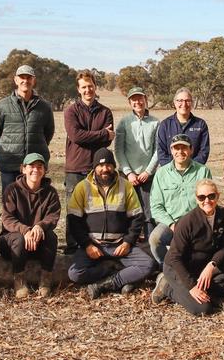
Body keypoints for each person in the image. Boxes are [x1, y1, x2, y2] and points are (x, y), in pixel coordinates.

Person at [66, 149, 156, 298]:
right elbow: (74, 221)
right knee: (75, 274)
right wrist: (87, 245)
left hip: (119, 245)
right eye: (100, 166)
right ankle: (110, 269)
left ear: (114, 166)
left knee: (148, 265)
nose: (105, 169)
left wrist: (127, 242)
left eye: (109, 165)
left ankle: (108, 283)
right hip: (94, 246)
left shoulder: (125, 186)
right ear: (94, 168)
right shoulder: (83, 187)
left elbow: (137, 217)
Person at [151, 179, 224, 316]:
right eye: (202, 197)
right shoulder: (187, 222)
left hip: (203, 265)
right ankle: (167, 287)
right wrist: (192, 287)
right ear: (196, 198)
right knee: (203, 309)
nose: (207, 201)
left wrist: (211, 265)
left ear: (217, 195)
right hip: (178, 267)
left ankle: (208, 289)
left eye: (211, 196)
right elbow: (175, 258)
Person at [63, 70, 114, 253]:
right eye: (83, 87)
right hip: (75, 168)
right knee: (74, 210)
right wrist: (101, 133)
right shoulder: (71, 111)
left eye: (90, 86)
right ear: (78, 89)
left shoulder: (105, 112)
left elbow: (108, 141)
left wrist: (94, 136)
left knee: (95, 210)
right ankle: (72, 246)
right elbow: (76, 136)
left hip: (99, 170)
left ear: (95, 87)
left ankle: (95, 245)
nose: (87, 90)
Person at [0, 64, 56, 196]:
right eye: (22, 77)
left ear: (33, 80)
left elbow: (48, 133)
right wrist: (9, 148)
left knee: (35, 200)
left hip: (35, 165)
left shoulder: (44, 107)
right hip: (9, 163)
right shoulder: (2, 105)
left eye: (29, 78)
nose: (25, 81)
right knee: (10, 200)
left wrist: (34, 152)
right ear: (16, 80)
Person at [0, 153, 61, 299]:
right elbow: (7, 219)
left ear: (44, 170)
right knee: (19, 239)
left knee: (51, 237)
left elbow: (53, 216)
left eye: (39, 167)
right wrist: (26, 230)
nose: (35, 170)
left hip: (37, 242)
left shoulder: (51, 192)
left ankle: (45, 279)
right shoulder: (12, 189)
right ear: (23, 169)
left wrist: (40, 226)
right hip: (12, 241)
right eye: (31, 166)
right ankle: (19, 280)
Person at [150, 134, 214, 265]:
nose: (180, 152)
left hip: (196, 222)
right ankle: (167, 267)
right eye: (176, 148)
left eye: (184, 148)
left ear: (191, 150)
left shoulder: (202, 171)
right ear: (171, 150)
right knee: (155, 239)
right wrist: (172, 224)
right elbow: (156, 207)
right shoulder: (161, 173)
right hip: (170, 222)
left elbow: (209, 202)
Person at [115, 86, 159, 236]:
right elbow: (119, 150)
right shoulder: (124, 122)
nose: (137, 102)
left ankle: (149, 244)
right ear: (129, 102)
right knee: (126, 210)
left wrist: (148, 171)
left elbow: (158, 150)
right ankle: (127, 244)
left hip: (148, 176)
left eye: (140, 98)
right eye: (134, 99)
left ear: (145, 100)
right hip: (128, 176)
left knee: (149, 213)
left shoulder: (155, 123)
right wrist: (128, 173)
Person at [156, 88, 210, 167]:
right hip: (170, 173)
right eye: (180, 101)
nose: (184, 104)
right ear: (174, 103)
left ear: (191, 103)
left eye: (187, 101)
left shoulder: (200, 124)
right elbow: (161, 152)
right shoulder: (165, 125)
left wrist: (191, 168)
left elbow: (204, 151)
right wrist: (174, 170)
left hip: (194, 172)